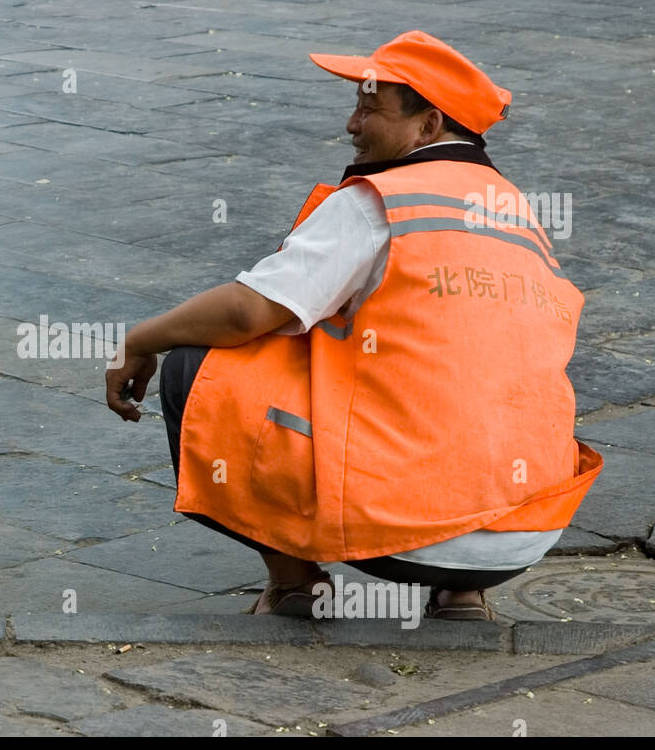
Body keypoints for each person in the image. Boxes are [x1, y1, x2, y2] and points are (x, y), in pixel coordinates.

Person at [106, 31, 603, 620]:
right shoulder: (518, 213)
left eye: (369, 109)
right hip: (525, 532)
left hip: (407, 533)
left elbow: (248, 311)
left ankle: (295, 585)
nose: (351, 124)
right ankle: (463, 595)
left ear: (428, 125)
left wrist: (140, 339)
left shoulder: (379, 201)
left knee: (197, 356)